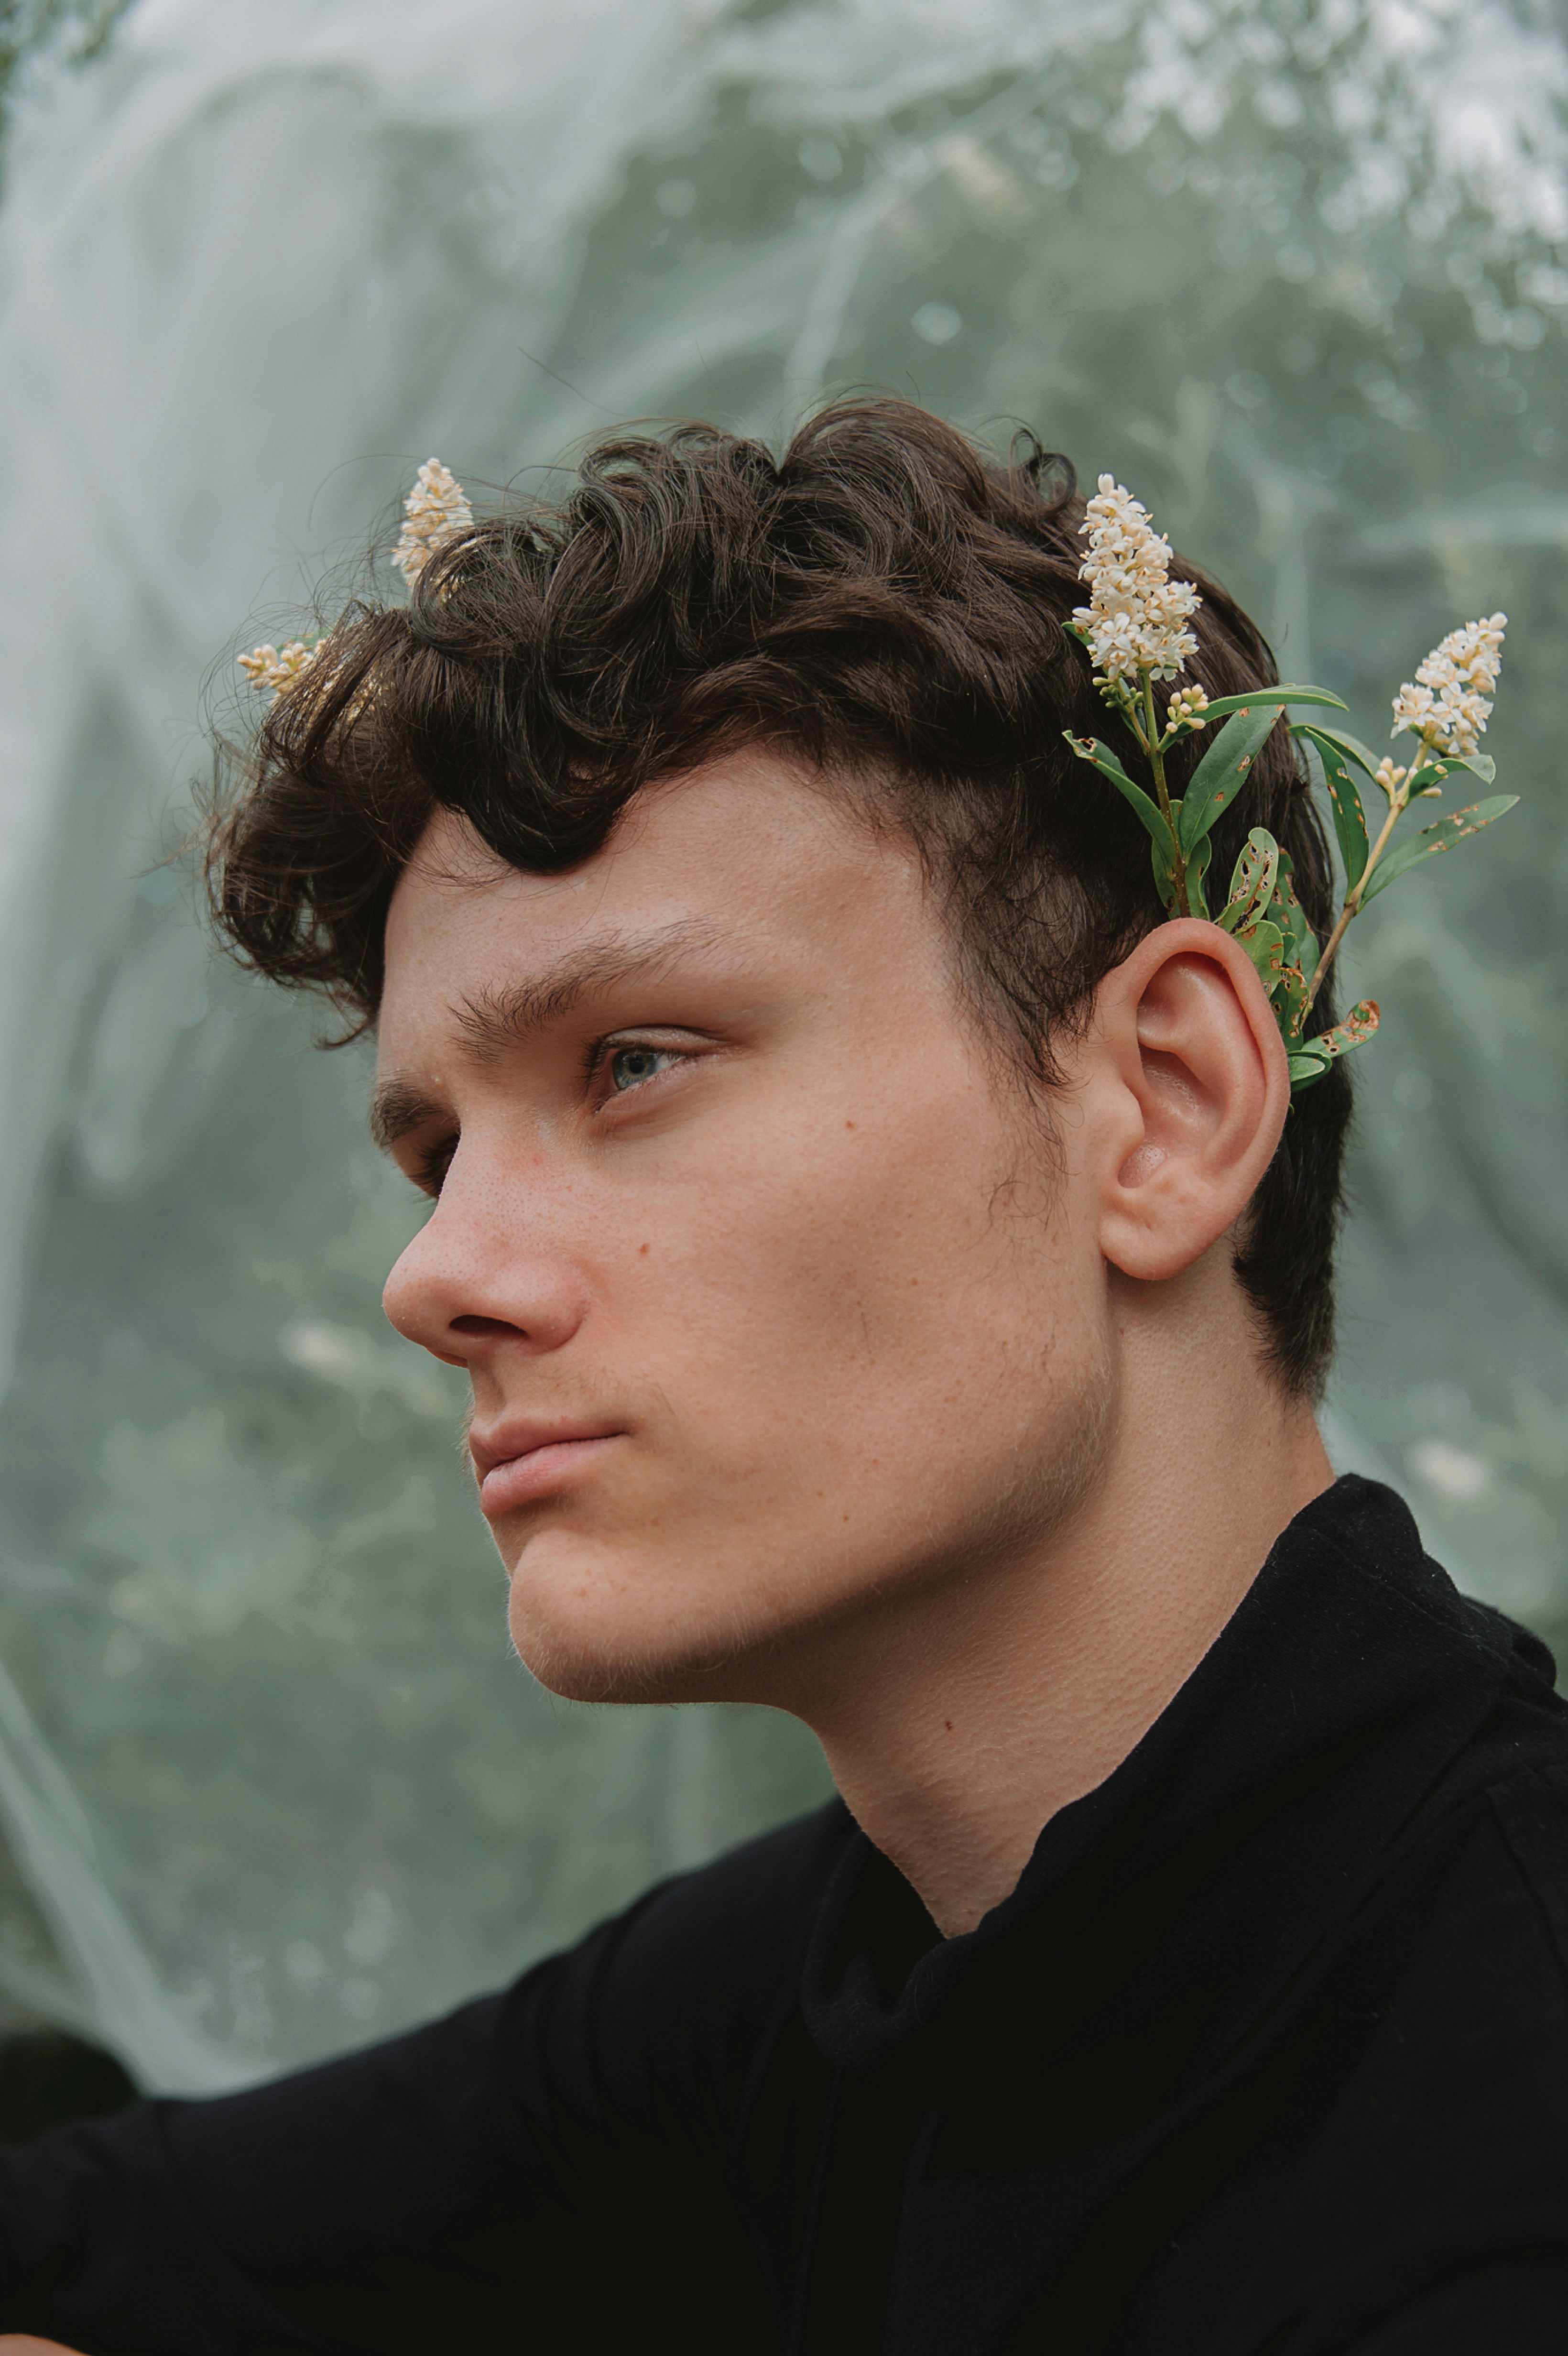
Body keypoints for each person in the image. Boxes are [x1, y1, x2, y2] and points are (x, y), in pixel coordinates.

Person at [0, 399, 1564, 2355]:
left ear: (1164, 1105)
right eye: (434, 1153)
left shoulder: (1501, 2133)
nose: (439, 1275)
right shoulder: (816, 1984)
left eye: (634, 1059)